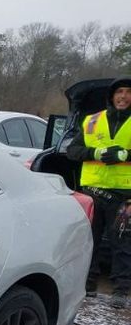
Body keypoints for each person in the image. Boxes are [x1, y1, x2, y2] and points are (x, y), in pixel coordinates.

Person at [67, 76, 131, 307]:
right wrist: (94, 153)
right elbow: (72, 151)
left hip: (124, 195)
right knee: (89, 241)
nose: (124, 96)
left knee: (122, 243)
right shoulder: (92, 121)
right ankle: (88, 284)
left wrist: (125, 155)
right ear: (112, 96)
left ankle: (121, 291)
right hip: (92, 193)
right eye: (119, 92)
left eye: (128, 92)